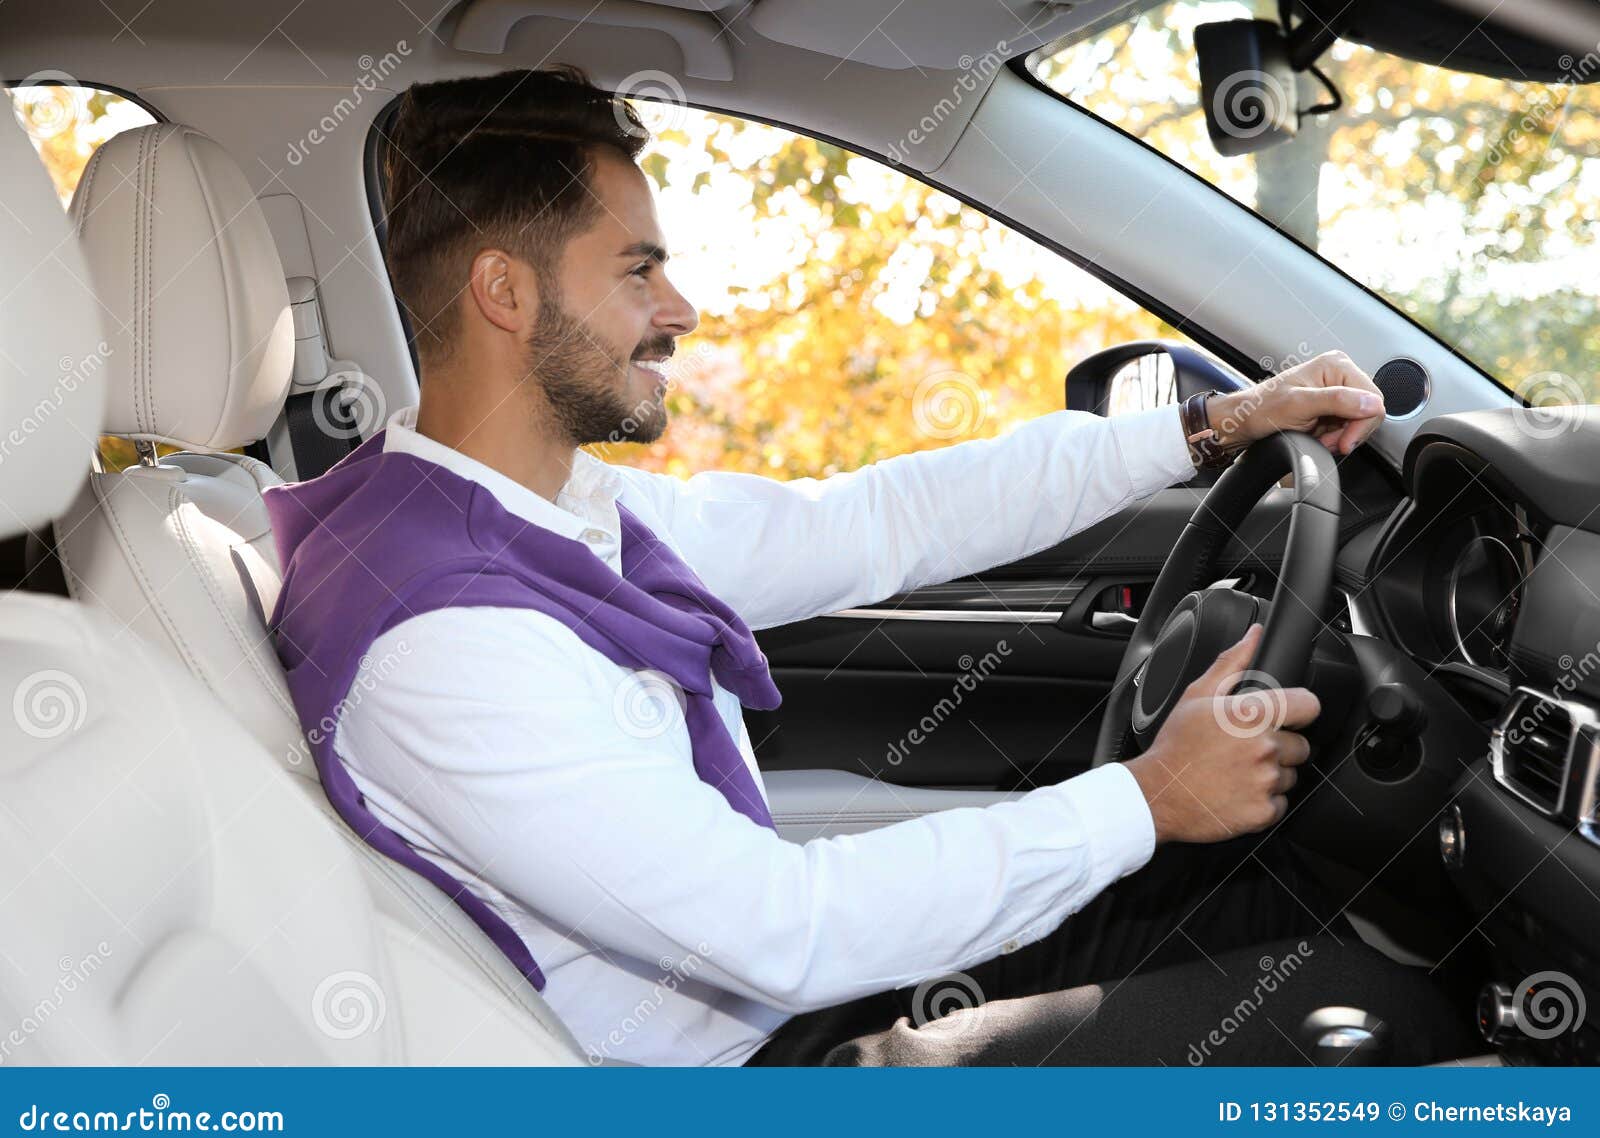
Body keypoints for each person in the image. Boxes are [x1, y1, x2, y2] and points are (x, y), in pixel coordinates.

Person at [262, 66, 1474, 1067]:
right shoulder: (445, 632)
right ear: (503, 292)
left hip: (769, 1006)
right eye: (638, 268)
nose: (681, 308)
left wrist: (1209, 426)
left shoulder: (535, 509)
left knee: (1265, 906)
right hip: (746, 1071)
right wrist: (1149, 797)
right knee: (1359, 1022)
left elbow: (879, 519)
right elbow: (780, 929)